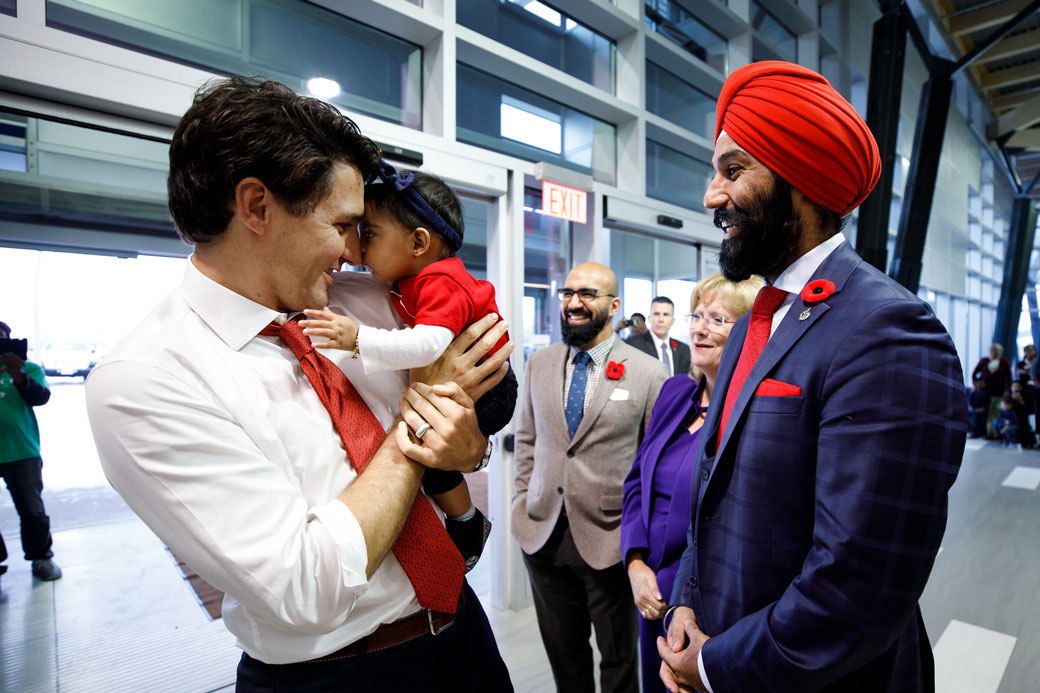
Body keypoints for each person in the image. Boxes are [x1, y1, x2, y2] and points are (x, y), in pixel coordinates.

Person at [85, 77, 514, 691]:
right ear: (257, 207)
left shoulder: (368, 303)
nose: (353, 251)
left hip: (461, 629)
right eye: (342, 224)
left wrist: (470, 445)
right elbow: (307, 586)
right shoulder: (146, 381)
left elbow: (466, 435)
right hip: (334, 675)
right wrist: (417, 421)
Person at [660, 61, 967, 693]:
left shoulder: (887, 330)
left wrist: (718, 666)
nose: (711, 195)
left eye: (733, 170)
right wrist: (688, 601)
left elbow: (863, 579)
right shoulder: (754, 325)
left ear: (798, 179)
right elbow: (715, 498)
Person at [297, 165, 517, 571]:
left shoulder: (439, 281)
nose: (357, 252)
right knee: (426, 453)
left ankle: (466, 522)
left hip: (490, 386)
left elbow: (427, 345)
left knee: (426, 449)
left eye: (368, 235)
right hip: (474, 384)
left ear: (418, 242)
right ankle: (466, 522)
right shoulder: (406, 282)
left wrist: (359, 339)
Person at [512, 262, 667, 693]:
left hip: (610, 542)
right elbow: (527, 439)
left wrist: (639, 543)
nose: (574, 302)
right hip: (542, 536)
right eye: (568, 293)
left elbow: (652, 463)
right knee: (565, 655)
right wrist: (520, 503)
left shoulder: (648, 373)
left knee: (619, 659)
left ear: (614, 306)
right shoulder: (538, 364)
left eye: (588, 294)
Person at [619, 272, 761, 693]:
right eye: (697, 315)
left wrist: (670, 585)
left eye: (718, 320)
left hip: (704, 602)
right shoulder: (675, 392)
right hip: (647, 589)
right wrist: (634, 562)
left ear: (753, 332)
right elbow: (635, 484)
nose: (699, 327)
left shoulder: (753, 414)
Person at [0, 321, 62, 588]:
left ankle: (41, 559)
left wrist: (19, 376)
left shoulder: (29, 369)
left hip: (21, 451)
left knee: (32, 510)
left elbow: (41, 397)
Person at [626, 297, 691, 377]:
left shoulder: (684, 350)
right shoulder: (633, 345)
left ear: (673, 320)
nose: (661, 319)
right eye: (656, 314)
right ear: (649, 319)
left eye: (666, 315)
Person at [972, 343, 1012, 437]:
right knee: (985, 412)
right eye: (992, 350)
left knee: (995, 412)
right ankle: (983, 432)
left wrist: (1008, 390)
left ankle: (994, 433)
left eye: (995, 350)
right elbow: (974, 373)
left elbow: (1009, 377)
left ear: (999, 351)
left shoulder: (1004, 361)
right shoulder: (984, 360)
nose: (993, 352)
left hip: (998, 392)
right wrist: (976, 384)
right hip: (985, 392)